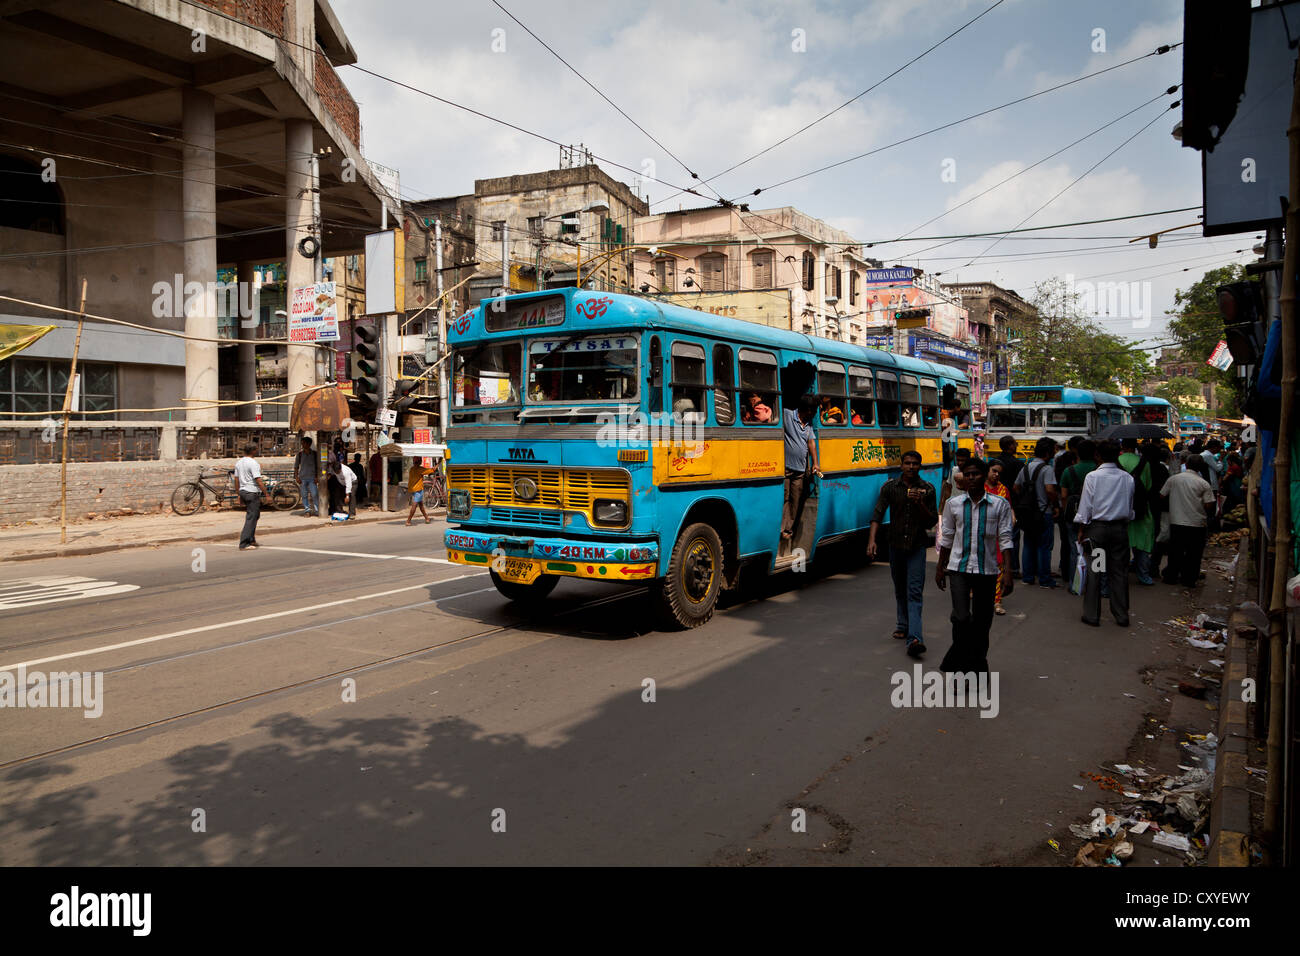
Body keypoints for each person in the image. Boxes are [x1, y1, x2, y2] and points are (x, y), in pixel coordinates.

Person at [935, 457, 1014, 674]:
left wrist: (1008, 572)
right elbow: (947, 538)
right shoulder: (954, 505)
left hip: (987, 570)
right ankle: (963, 664)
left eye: (975, 474)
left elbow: (1006, 539)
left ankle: (976, 665)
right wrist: (940, 567)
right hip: (958, 569)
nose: (971, 478)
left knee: (982, 622)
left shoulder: (1000, 504)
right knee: (960, 618)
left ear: (985, 474)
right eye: (967, 474)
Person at [868, 450, 939, 659]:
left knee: (914, 592)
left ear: (920, 467)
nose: (911, 467)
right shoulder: (891, 487)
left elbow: (932, 522)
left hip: (917, 547)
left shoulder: (927, 489)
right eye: (907, 463)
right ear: (901, 466)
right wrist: (871, 541)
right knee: (900, 587)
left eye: (915, 464)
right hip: (895, 545)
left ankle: (915, 638)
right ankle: (902, 624)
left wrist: (920, 504)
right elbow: (878, 513)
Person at [1074, 441, 1135, 627]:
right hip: (1119, 531)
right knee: (1118, 572)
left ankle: (1092, 615)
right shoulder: (1127, 478)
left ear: (1097, 456)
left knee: (1097, 571)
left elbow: (1085, 508)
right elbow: (1130, 508)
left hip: (1098, 532)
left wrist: (1081, 530)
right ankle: (1121, 614)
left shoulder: (1093, 477)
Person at [1161, 455, 1216, 589]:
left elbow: (1162, 495)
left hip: (1177, 521)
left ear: (1186, 463)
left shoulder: (1174, 479)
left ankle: (1171, 577)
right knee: (1194, 554)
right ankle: (1189, 579)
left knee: (1175, 551)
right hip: (1196, 523)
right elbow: (1209, 505)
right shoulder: (1203, 483)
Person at [1013, 437, 1059, 588]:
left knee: (1028, 544)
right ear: (1047, 452)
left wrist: (1025, 499)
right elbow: (1050, 490)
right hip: (1043, 512)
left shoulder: (1025, 468)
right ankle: (1045, 579)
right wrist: (1054, 504)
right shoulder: (1047, 469)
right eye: (1053, 450)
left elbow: (1016, 488)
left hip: (1028, 513)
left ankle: (1028, 577)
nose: (1054, 452)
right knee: (1044, 546)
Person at [781, 394, 820, 546]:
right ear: (808, 409)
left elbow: (811, 443)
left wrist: (815, 463)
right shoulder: (787, 415)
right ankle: (783, 528)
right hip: (785, 468)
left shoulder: (809, 424)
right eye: (814, 409)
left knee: (795, 500)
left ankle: (788, 529)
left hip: (799, 470)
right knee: (784, 498)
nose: (816, 412)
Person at [1118, 437, 1155, 586]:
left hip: (1119, 509)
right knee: (1143, 545)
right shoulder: (1143, 463)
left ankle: (1120, 575)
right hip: (1139, 508)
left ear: (1122, 446)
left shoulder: (1116, 461)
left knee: (1120, 547)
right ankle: (1144, 576)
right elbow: (1147, 485)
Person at [984, 460, 1012, 615]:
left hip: (997, 535)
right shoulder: (979, 487)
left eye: (999, 473)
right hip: (980, 534)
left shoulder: (1003, 490)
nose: (996, 475)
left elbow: (1009, 509)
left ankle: (997, 601)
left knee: (998, 568)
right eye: (993, 471)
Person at [996, 436, 1025, 573]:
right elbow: (1019, 486)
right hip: (1011, 502)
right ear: (1010, 446)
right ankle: (1013, 567)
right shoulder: (1017, 463)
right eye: (1015, 443)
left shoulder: (996, 462)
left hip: (995, 500)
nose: (1017, 445)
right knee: (1012, 535)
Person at [234, 443, 267, 550]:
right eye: (256, 449)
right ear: (253, 451)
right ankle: (244, 543)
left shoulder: (239, 462)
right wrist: (267, 494)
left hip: (244, 491)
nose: (257, 451)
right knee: (251, 517)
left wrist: (239, 494)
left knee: (255, 515)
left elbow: (236, 480)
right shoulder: (253, 463)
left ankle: (251, 539)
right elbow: (258, 480)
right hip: (251, 492)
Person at [294, 436, 318, 516]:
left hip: (312, 478)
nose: (302, 445)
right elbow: (296, 466)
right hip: (302, 478)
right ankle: (307, 510)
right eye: (302, 443)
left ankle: (317, 510)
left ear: (309, 444)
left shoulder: (315, 454)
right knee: (304, 495)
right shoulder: (300, 454)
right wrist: (296, 477)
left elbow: (318, 467)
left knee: (314, 494)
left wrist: (317, 477)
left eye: (304, 443)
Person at [406, 461, 432, 526]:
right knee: (414, 505)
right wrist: (438, 464)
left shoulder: (412, 469)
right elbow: (431, 470)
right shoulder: (420, 469)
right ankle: (408, 521)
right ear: (420, 462)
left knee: (421, 505)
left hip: (412, 489)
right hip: (418, 489)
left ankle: (427, 518)